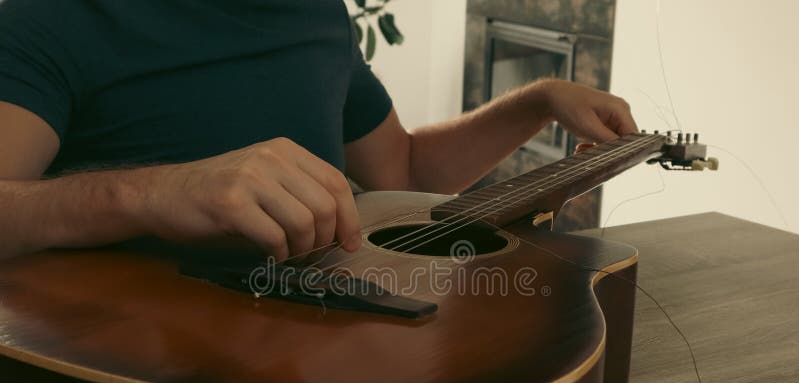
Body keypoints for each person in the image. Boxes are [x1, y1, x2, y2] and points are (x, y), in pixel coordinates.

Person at [0, 0, 637, 261]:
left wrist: (539, 102)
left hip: (315, 374)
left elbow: (403, 172)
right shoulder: (50, 15)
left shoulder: (316, 12)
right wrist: (152, 193)